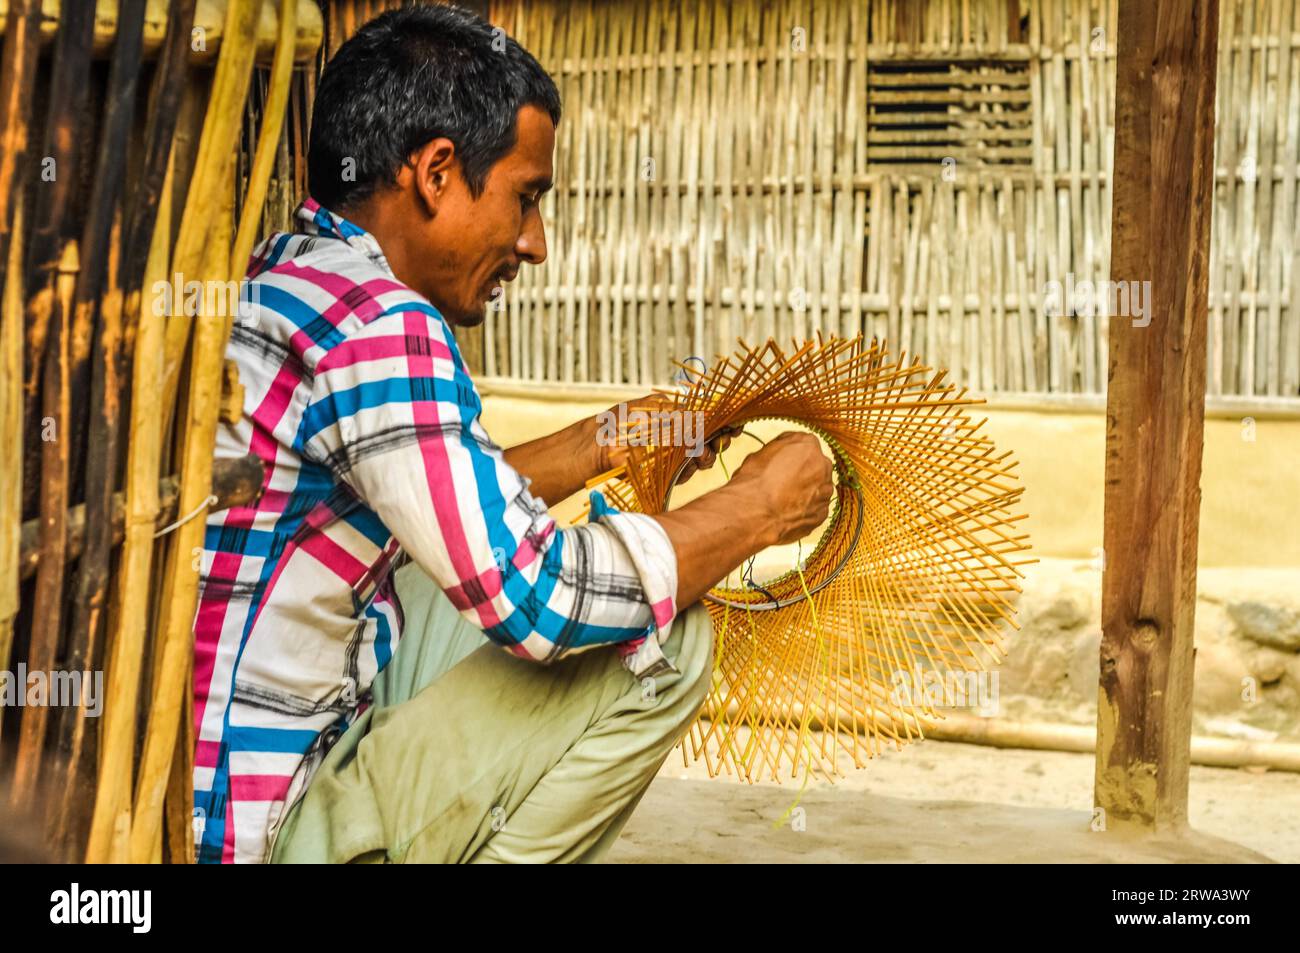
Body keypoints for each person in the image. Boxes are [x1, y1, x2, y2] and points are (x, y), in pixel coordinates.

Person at [193, 3, 833, 864]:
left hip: (217, 770)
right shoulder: (380, 326)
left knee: (438, 556)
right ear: (437, 172)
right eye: (525, 198)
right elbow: (538, 601)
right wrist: (757, 510)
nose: (534, 243)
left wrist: (611, 437)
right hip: (263, 827)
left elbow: (444, 501)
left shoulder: (292, 276)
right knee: (657, 635)